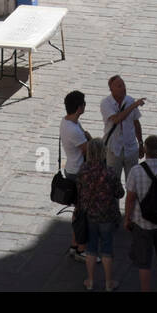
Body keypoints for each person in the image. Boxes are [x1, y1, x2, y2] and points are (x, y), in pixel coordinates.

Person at [124, 135, 157, 292]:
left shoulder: (136, 171)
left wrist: (127, 219)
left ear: (145, 150)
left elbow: (130, 199)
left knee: (144, 263)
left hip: (143, 223)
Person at [76, 137, 122, 292]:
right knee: (107, 249)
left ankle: (90, 281)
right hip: (107, 215)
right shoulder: (109, 172)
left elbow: (79, 191)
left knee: (91, 249)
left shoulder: (83, 170)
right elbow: (119, 193)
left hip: (90, 215)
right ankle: (109, 282)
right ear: (103, 152)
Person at [60, 90, 91, 260]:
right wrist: (92, 140)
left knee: (78, 211)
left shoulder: (66, 122)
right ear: (79, 108)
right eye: (84, 104)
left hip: (71, 169)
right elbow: (89, 149)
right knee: (82, 214)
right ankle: (81, 249)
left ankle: (74, 245)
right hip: (78, 173)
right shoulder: (74, 130)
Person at [100, 75, 145, 184]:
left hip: (130, 148)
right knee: (112, 184)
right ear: (111, 89)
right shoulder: (106, 103)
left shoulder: (129, 101)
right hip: (114, 149)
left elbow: (136, 123)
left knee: (133, 184)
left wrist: (140, 143)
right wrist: (134, 105)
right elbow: (116, 119)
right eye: (119, 86)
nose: (123, 88)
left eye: (123, 85)